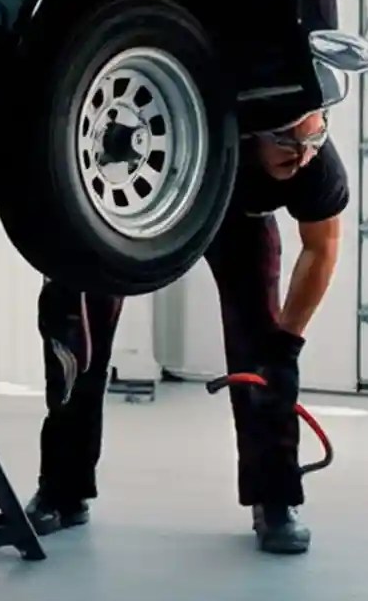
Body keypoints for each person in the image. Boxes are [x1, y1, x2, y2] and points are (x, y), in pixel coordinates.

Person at [25, 108, 348, 555]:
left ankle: (274, 498)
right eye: (288, 143)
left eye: (311, 143)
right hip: (133, 203)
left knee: (266, 347)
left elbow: (322, 245)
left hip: (238, 217)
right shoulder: (185, 120)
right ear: (252, 130)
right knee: (75, 336)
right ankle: (63, 491)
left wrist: (287, 341)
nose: (301, 157)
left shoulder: (315, 165)